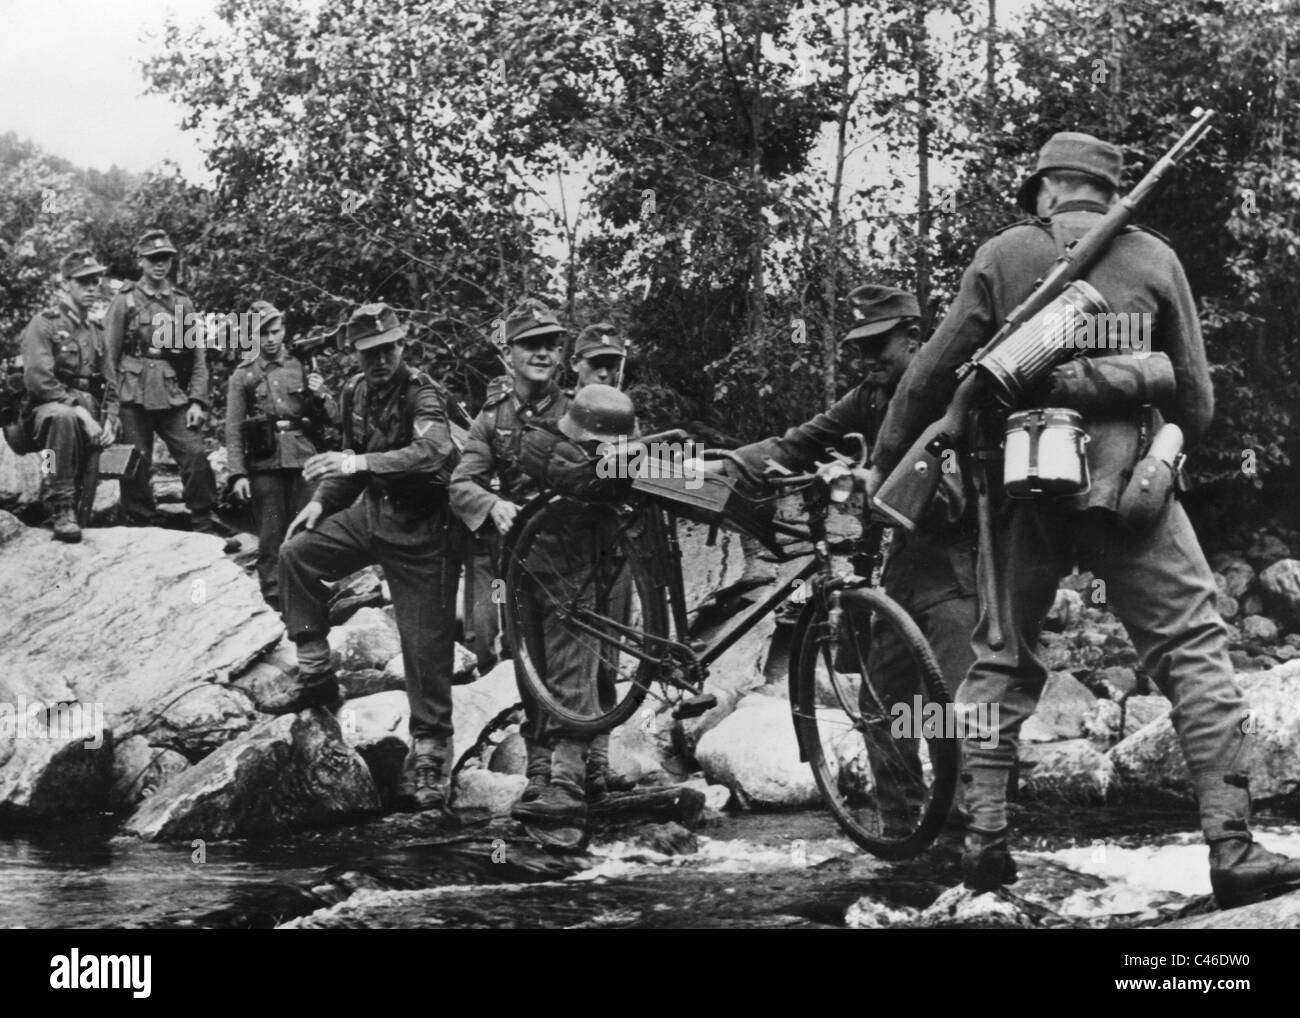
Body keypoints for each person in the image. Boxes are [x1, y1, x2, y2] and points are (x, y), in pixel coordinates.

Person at [867, 130, 1300, 907]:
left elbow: (923, 383)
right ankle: (1232, 849)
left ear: (1043, 190)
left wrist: (887, 473)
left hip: (1022, 490)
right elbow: (1196, 403)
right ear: (1109, 192)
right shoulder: (1155, 259)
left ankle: (985, 842)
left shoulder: (1003, 255)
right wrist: (1145, 407)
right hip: (1134, 488)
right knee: (1196, 651)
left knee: (999, 660)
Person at [727, 285, 978, 832]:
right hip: (899, 577)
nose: (867, 362)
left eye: (877, 347)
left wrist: (873, 483)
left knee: (953, 717)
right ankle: (899, 842)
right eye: (859, 350)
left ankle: (971, 845)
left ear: (914, 338)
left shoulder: (953, 393)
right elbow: (795, 444)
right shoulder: (869, 397)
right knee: (883, 710)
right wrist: (717, 467)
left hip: (960, 574)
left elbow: (950, 499)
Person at [278, 303, 464, 812]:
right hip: (372, 515)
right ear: (357, 355)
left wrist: (356, 461)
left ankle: (430, 754)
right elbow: (348, 464)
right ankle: (316, 675)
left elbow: (432, 454)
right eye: (370, 352)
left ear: (402, 346)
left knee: (424, 649)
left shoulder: (422, 393)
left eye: (389, 349)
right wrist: (319, 503)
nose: (381, 360)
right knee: (295, 553)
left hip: (424, 529)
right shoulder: (353, 392)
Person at [102, 229, 220, 533]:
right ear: (140, 261)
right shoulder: (125, 300)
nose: (160, 264)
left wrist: (197, 400)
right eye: (153, 258)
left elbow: (197, 358)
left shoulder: (183, 303)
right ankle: (142, 523)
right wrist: (112, 409)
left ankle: (203, 522)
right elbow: (109, 356)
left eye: (165, 258)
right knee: (136, 459)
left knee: (194, 452)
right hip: (132, 390)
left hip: (171, 390)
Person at [224, 301, 338, 610]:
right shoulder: (243, 375)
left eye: (275, 331)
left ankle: (310, 593)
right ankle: (274, 598)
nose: (271, 339)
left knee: (308, 528)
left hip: (303, 458)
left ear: (284, 330)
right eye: (263, 333)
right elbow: (233, 428)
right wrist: (238, 474)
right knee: (271, 533)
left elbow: (333, 418)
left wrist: (321, 394)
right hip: (265, 463)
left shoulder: (301, 366)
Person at [18, 249, 119, 542]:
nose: (91, 288)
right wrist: (80, 411)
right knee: (61, 419)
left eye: (95, 281)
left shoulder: (96, 329)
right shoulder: (45, 323)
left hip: (89, 412)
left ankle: (108, 512)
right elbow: (38, 380)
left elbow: (111, 381)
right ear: (65, 284)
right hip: (46, 413)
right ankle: (60, 506)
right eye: (83, 281)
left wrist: (111, 418)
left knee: (127, 423)